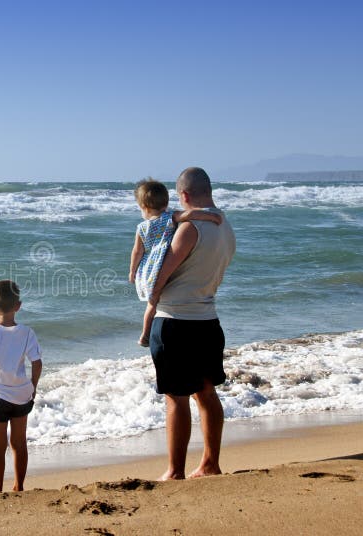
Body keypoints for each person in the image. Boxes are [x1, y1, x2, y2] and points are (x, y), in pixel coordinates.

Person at [147, 167, 236, 480]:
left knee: (176, 396)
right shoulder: (224, 226)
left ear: (183, 195)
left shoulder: (190, 228)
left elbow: (160, 274)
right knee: (206, 392)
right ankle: (210, 463)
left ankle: (175, 471)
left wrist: (149, 299)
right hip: (208, 320)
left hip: (175, 322)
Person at [129, 178, 223, 346]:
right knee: (155, 302)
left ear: (144, 207)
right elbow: (190, 214)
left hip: (148, 270)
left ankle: (144, 334)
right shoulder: (170, 217)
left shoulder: (141, 228)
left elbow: (137, 251)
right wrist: (211, 216)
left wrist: (132, 271)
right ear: (165, 202)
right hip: (162, 265)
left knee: (152, 303)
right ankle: (145, 335)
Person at [0, 280, 42, 493]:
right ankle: (19, 486)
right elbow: (37, 362)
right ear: (18, 306)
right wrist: (32, 385)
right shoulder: (27, 332)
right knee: (19, 443)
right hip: (22, 394)